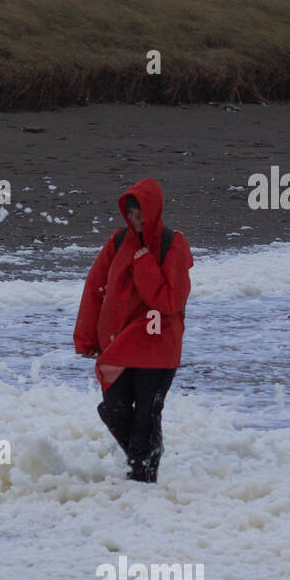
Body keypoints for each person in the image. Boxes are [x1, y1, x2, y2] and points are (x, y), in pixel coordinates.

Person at [73, 179, 193, 482]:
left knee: (146, 416)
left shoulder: (173, 243)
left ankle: (142, 480)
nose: (136, 218)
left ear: (154, 209)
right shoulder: (117, 241)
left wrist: (145, 265)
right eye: (131, 212)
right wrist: (86, 338)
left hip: (157, 346)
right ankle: (143, 462)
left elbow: (169, 301)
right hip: (118, 344)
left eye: (141, 211)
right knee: (114, 409)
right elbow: (94, 289)